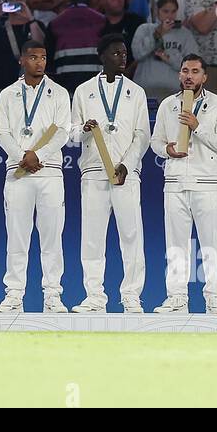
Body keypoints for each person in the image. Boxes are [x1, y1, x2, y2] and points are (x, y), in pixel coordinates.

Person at [70, 34, 151, 313]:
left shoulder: (136, 92)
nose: (123, 57)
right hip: (94, 171)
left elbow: (142, 135)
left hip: (125, 173)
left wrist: (127, 164)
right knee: (92, 237)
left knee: (131, 235)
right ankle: (94, 297)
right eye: (116, 53)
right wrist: (83, 128)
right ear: (102, 56)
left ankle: (131, 295)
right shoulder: (83, 91)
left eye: (125, 53)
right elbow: (71, 132)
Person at [150, 53, 217, 314]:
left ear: (204, 76)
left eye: (195, 71)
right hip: (174, 182)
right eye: (185, 70)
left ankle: (214, 298)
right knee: (176, 245)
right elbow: (155, 142)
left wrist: (198, 127)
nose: (189, 76)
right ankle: (176, 297)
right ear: (179, 74)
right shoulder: (167, 105)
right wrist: (167, 149)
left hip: (207, 183)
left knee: (211, 244)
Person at [0, 39, 72, 313]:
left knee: (52, 238)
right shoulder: (7, 94)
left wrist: (40, 156)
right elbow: (1, 132)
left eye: (43, 57)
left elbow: (62, 131)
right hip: (18, 173)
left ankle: (53, 295)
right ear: (22, 60)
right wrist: (22, 156)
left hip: (49, 172)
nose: (39, 62)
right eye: (34, 57)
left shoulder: (60, 93)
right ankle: (14, 295)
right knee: (17, 237)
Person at [131, 0, 198, 93]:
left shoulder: (185, 34)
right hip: (145, 90)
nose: (170, 16)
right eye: (165, 11)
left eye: (173, 11)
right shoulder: (144, 29)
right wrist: (159, 33)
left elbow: (193, 65)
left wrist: (169, 58)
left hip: (174, 91)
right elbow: (137, 55)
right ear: (157, 11)